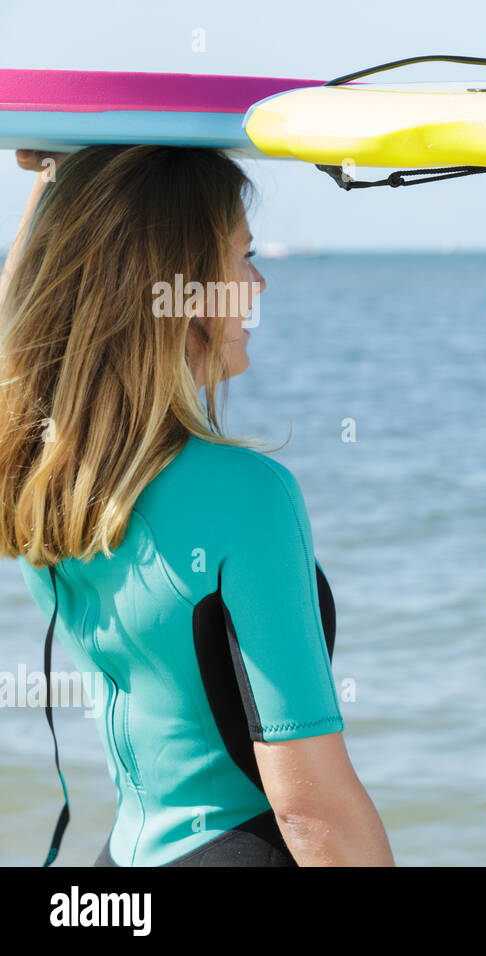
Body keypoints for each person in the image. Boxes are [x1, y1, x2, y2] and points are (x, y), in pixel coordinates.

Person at [0, 145, 393, 866]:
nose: (259, 281)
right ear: (178, 286)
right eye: (241, 256)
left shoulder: (40, 477)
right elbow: (313, 814)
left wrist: (56, 192)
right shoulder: (247, 495)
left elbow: (22, 340)